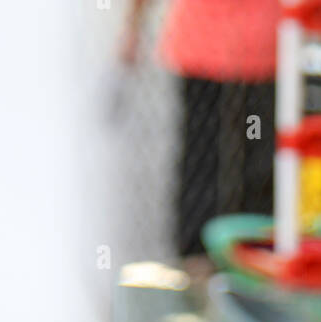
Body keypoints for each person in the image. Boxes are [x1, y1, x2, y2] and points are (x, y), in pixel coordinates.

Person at [121, 0, 282, 256]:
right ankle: (211, 255)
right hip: (212, 43)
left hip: (253, 47)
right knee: (214, 160)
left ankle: (237, 254)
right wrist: (132, 27)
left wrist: (132, 26)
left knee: (247, 160)